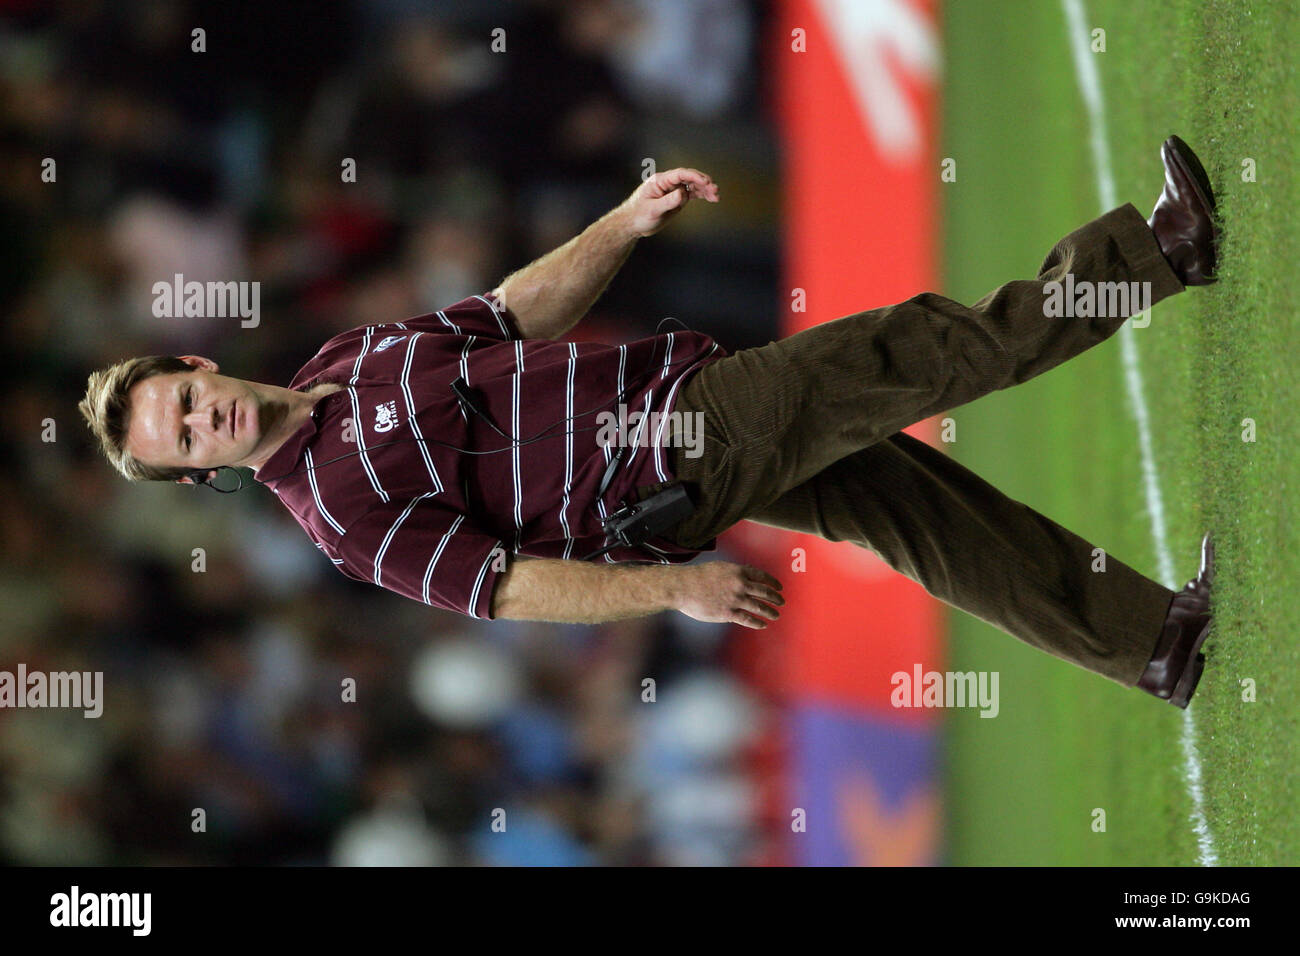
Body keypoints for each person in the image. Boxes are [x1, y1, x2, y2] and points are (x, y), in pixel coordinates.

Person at [79, 137, 1218, 709]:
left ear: (194, 360)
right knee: (910, 351)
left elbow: (509, 310)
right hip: (672, 449)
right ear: (197, 476)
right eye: (183, 439)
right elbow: (507, 586)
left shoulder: (338, 357)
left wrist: (621, 224)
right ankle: (1157, 252)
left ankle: (1150, 642)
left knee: (917, 513)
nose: (200, 418)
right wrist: (672, 587)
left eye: (180, 399)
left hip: (672, 405)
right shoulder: (336, 515)